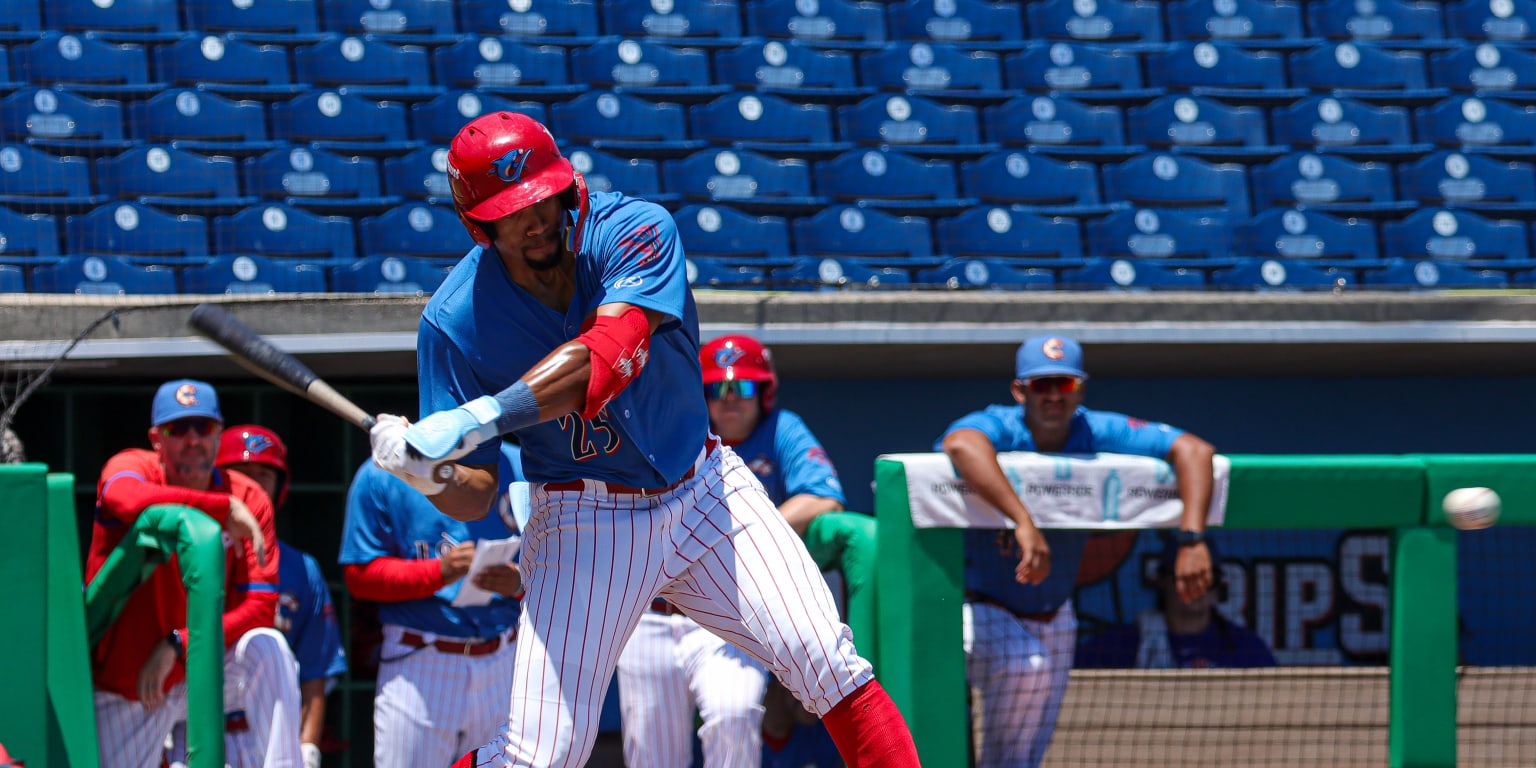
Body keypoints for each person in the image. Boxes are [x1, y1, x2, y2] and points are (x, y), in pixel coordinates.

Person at [366, 111, 919, 768]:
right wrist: (431, 476)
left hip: (706, 487)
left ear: (566, 186)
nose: (536, 220)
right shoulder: (454, 323)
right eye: (512, 212)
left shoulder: (634, 227)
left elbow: (608, 351)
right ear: (478, 224)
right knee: (540, 755)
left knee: (829, 664)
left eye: (544, 198)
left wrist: (480, 414)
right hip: (584, 518)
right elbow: (477, 495)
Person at [935, 335, 1218, 768]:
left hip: (1054, 612)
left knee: (1029, 746)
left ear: (1080, 389)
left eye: (1063, 385)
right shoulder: (1002, 425)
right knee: (1023, 667)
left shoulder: (1092, 429)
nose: (1052, 396)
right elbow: (961, 443)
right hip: (974, 611)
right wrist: (1022, 519)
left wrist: (1192, 540)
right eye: (1041, 385)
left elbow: (1194, 450)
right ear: (1020, 391)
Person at [611, 334, 848, 768]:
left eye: (743, 387)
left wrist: (743, 530)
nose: (730, 399)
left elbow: (824, 497)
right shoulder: (670, 429)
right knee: (652, 755)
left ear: (765, 393)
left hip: (728, 612)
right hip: (650, 614)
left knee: (734, 715)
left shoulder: (780, 430)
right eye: (717, 389)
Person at [87, 379, 302, 768]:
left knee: (268, 648)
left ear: (219, 434)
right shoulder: (132, 467)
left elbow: (261, 607)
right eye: (177, 429)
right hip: (131, 681)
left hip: (197, 661)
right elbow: (122, 497)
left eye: (202, 427)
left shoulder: (249, 496)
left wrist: (179, 644)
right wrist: (220, 509)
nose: (192, 440)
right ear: (157, 438)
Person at [339, 441, 526, 768]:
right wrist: (437, 572)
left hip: (504, 656)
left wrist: (521, 582)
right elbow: (359, 574)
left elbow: (561, 560)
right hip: (421, 659)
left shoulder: (521, 464)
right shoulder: (386, 469)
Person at [214, 425, 348, 768]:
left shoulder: (301, 568)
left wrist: (308, 745)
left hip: (269, 736)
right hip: (196, 724)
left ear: (280, 487)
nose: (253, 485)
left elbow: (315, 671)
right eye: (240, 474)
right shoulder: (192, 552)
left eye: (263, 475)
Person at [1076, 534, 1276, 669]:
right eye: (1186, 577)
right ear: (1162, 580)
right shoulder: (1119, 646)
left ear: (1219, 586)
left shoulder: (1244, 646)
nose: (1198, 587)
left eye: (1207, 577)